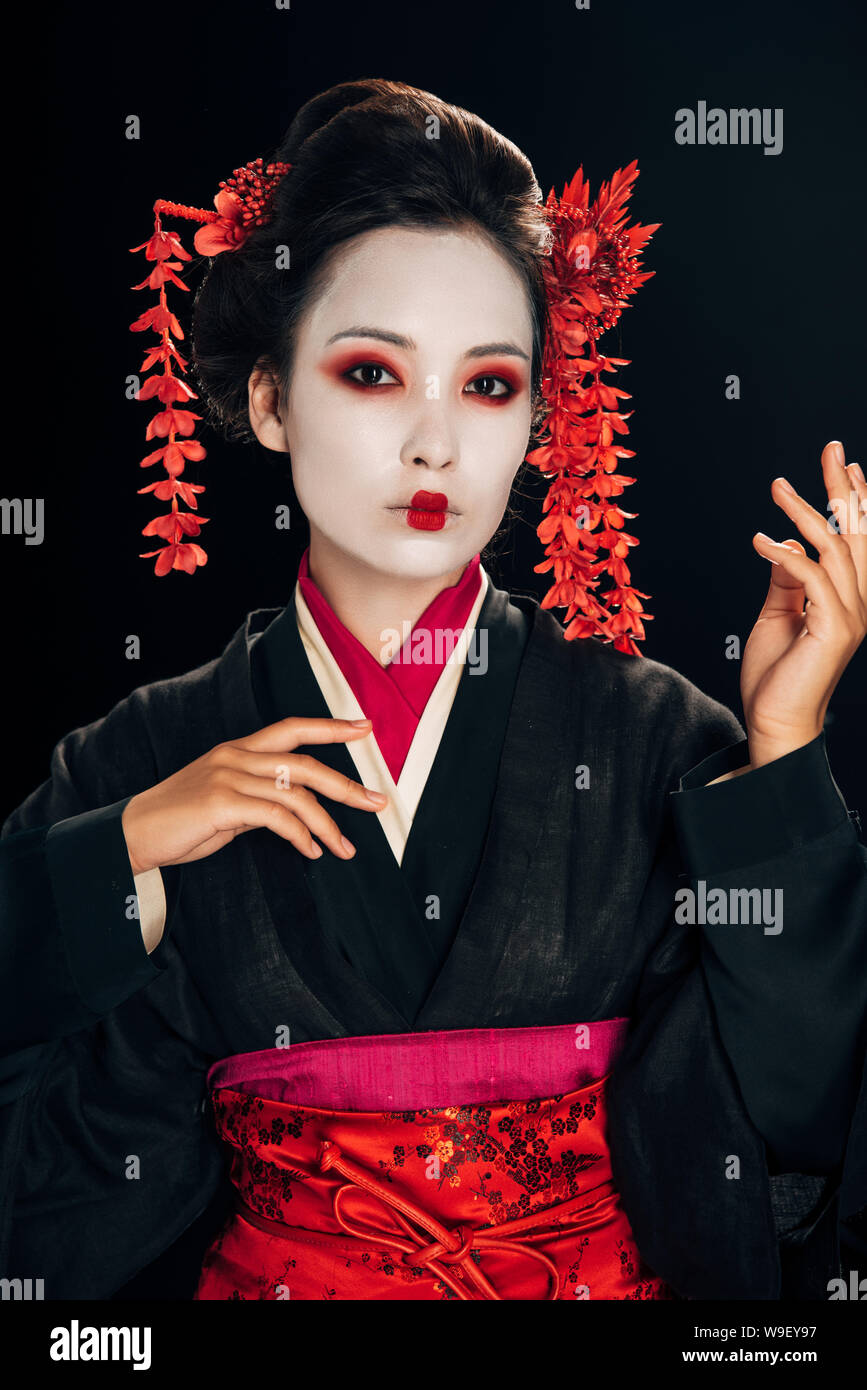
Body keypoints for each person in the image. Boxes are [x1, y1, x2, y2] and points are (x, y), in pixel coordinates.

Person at [1, 78, 864, 1302]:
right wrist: (123, 858)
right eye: (370, 373)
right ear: (267, 399)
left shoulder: (662, 740)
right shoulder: (141, 764)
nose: (435, 445)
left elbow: (800, 1130)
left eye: (489, 384)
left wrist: (783, 755)